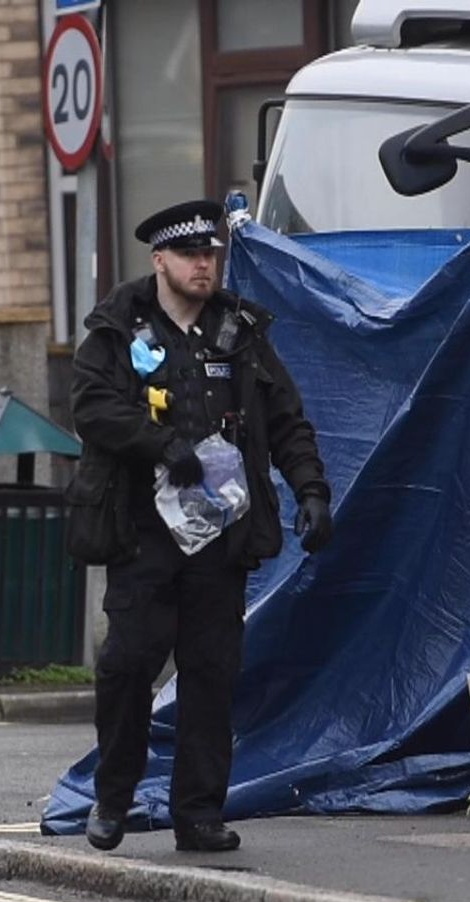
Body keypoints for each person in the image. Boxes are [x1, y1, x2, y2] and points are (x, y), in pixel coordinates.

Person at [68, 200, 332, 854]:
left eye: (211, 254)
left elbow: (288, 421)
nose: (203, 265)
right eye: (190, 255)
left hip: (222, 538)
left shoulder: (239, 331)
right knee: (127, 669)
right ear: (160, 259)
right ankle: (114, 797)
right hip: (143, 534)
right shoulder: (116, 326)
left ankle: (199, 814)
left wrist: (312, 492)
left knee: (212, 675)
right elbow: (93, 407)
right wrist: (160, 446)